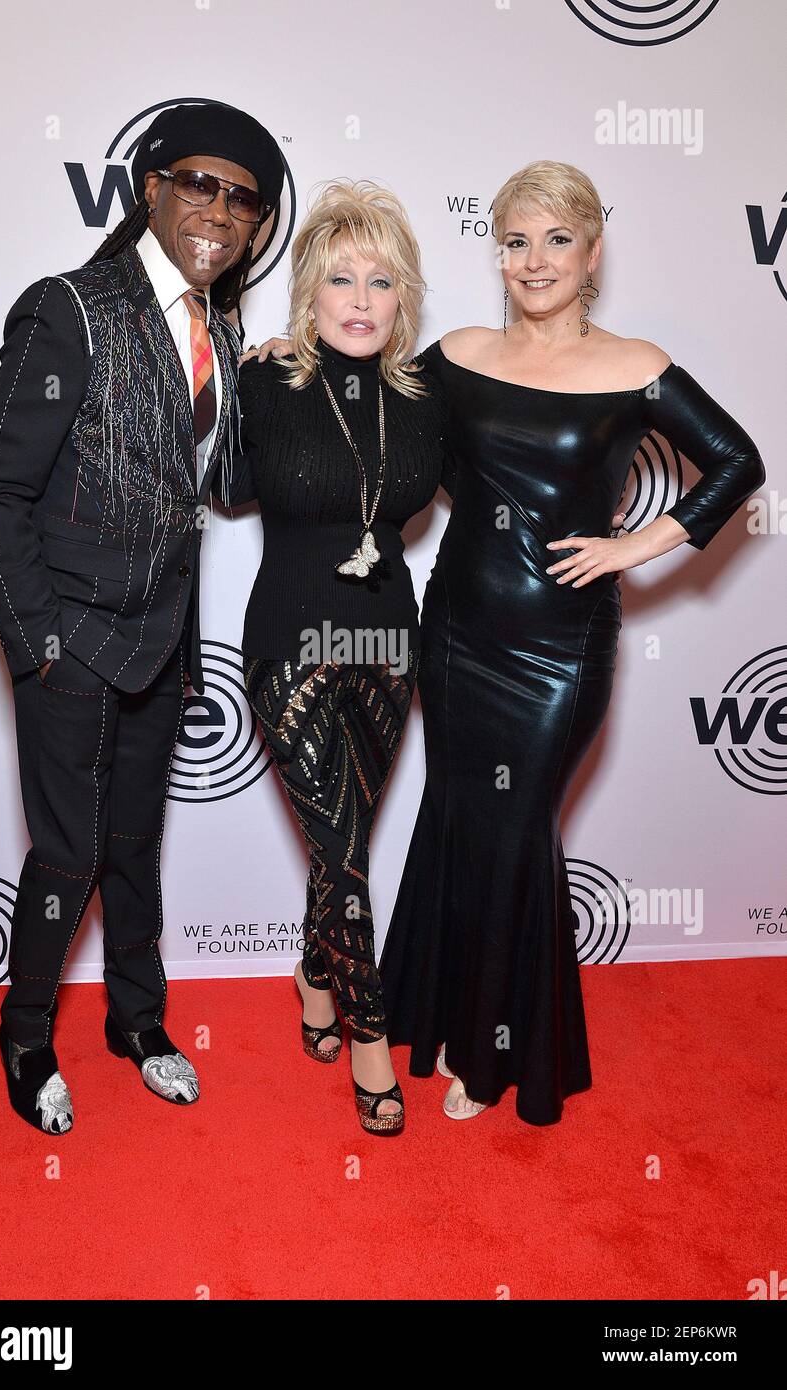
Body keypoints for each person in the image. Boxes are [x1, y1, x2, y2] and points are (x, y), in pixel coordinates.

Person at [377, 159, 766, 1125]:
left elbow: (737, 461)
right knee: (457, 818)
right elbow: (367, 415)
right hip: (457, 631)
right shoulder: (458, 354)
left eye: (556, 239)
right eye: (516, 240)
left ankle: (491, 1051)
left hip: (558, 649)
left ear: (593, 252)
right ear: (498, 253)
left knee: (516, 831)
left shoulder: (634, 365)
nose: (535, 260)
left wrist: (637, 545)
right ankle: (428, 1012)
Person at [0, 101, 285, 1133]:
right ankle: (23, 1036)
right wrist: (39, 644)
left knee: (135, 846)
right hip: (73, 645)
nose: (220, 211)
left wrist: (265, 393)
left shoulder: (218, 322)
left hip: (161, 643)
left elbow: (224, 488)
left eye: (243, 199)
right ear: (149, 187)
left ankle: (137, 1022)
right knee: (66, 853)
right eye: (200, 183)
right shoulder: (69, 306)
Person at [215, 181, 453, 1133]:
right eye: (341, 279)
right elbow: (227, 490)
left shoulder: (432, 400)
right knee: (349, 853)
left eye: (381, 281)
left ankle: (317, 973)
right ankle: (369, 1036)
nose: (360, 298)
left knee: (335, 844)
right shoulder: (269, 381)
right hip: (292, 644)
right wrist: (239, 373)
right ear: (310, 291)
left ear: (405, 298)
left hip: (392, 643)